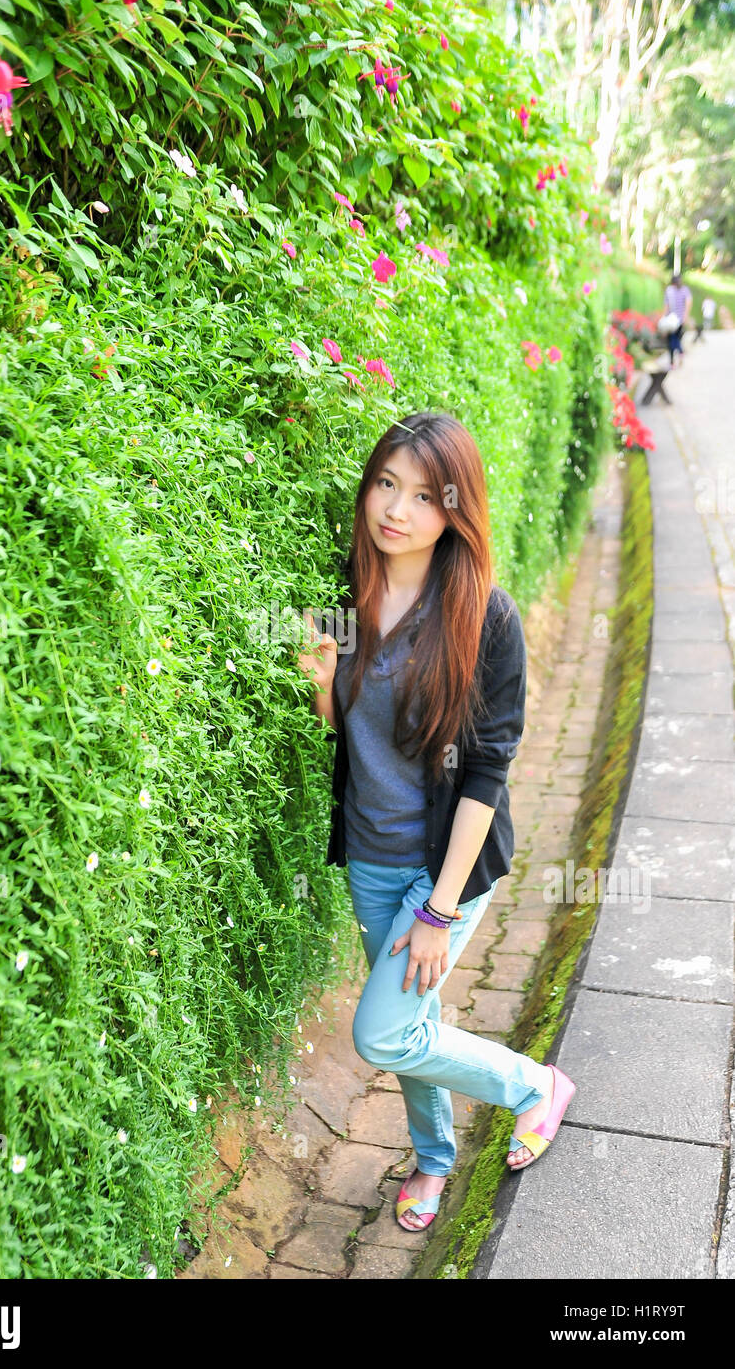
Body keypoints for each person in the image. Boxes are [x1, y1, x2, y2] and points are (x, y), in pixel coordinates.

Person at [296, 412, 576, 1232]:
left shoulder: (487, 619)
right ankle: (434, 1159)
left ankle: (534, 1086)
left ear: (456, 510)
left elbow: (487, 773)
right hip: (370, 857)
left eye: (423, 496)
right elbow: (341, 727)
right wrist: (321, 680)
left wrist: (438, 910)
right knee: (408, 1024)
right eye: (386, 483)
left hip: (445, 868)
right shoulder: (350, 591)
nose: (396, 509)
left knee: (382, 1031)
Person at [662, 273, 692, 367]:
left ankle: (672, 362)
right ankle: (680, 353)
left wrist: (664, 318)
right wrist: (685, 317)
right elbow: (688, 304)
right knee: (676, 338)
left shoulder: (669, 290)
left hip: (671, 320)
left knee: (671, 339)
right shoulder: (685, 290)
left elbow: (666, 306)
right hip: (679, 320)